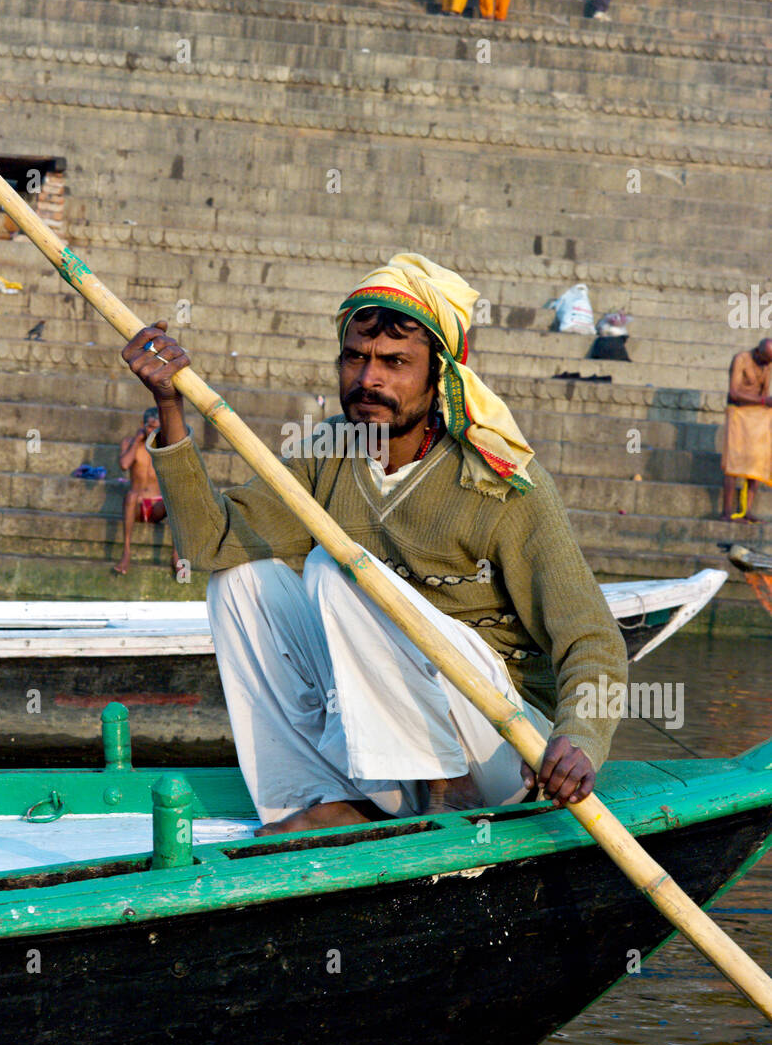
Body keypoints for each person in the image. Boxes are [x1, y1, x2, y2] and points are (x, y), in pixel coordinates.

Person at [121, 254, 628, 836]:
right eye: (355, 358)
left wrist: (580, 739)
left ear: (440, 377)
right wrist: (169, 407)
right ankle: (319, 795)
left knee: (337, 571)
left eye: (395, 363)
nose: (369, 380)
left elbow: (592, 640)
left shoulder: (502, 483)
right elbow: (214, 545)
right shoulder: (329, 451)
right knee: (241, 583)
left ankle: (444, 792)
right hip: (381, 766)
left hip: (500, 755)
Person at [113, 406, 176, 574]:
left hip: (157, 508)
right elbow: (124, 465)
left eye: (156, 427)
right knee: (131, 495)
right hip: (136, 507)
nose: (152, 431)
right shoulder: (129, 442)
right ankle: (126, 552)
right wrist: (137, 439)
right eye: (149, 427)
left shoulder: (166, 445)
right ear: (142, 424)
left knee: (175, 498)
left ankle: (177, 554)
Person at [720, 340, 772, 521]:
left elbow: (764, 393)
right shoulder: (741, 359)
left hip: (756, 415)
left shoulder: (767, 364)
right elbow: (733, 392)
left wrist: (766, 404)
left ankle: (746, 510)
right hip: (737, 412)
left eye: (769, 362)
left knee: (756, 461)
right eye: (765, 360)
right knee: (733, 463)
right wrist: (765, 402)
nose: (766, 364)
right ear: (757, 352)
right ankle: (726, 512)